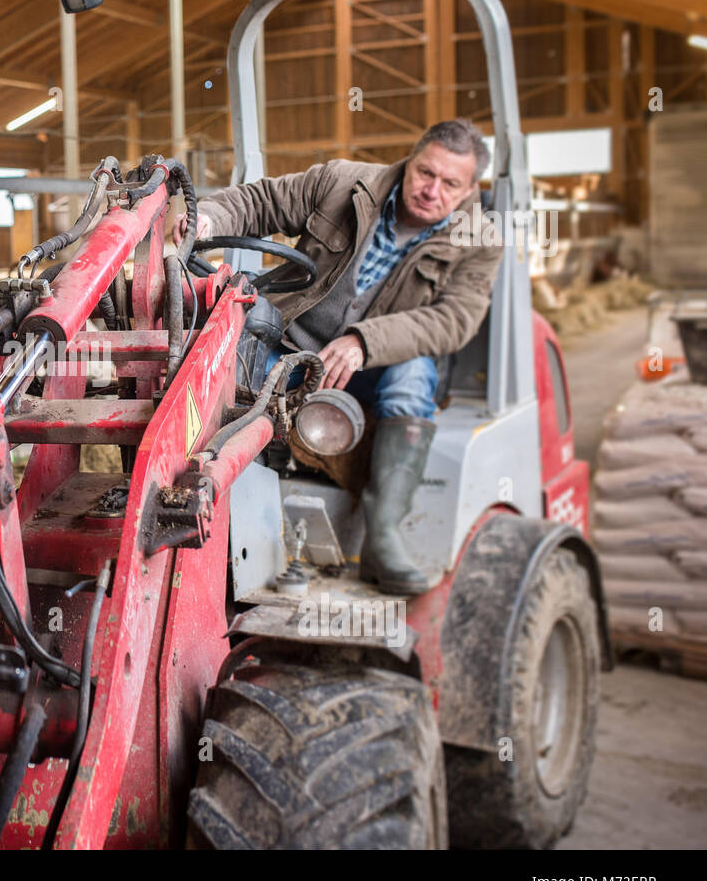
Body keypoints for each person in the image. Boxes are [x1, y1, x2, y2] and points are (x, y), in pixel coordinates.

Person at [172, 118, 501, 595]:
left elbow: (454, 319)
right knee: (225, 359)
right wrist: (210, 220)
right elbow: (260, 202)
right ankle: (212, 509)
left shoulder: (481, 239)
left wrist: (364, 342)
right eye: (426, 173)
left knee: (413, 376)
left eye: (450, 184)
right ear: (411, 160)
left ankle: (383, 532)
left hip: (380, 366)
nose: (432, 190)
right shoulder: (344, 183)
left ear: (472, 188)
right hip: (293, 347)